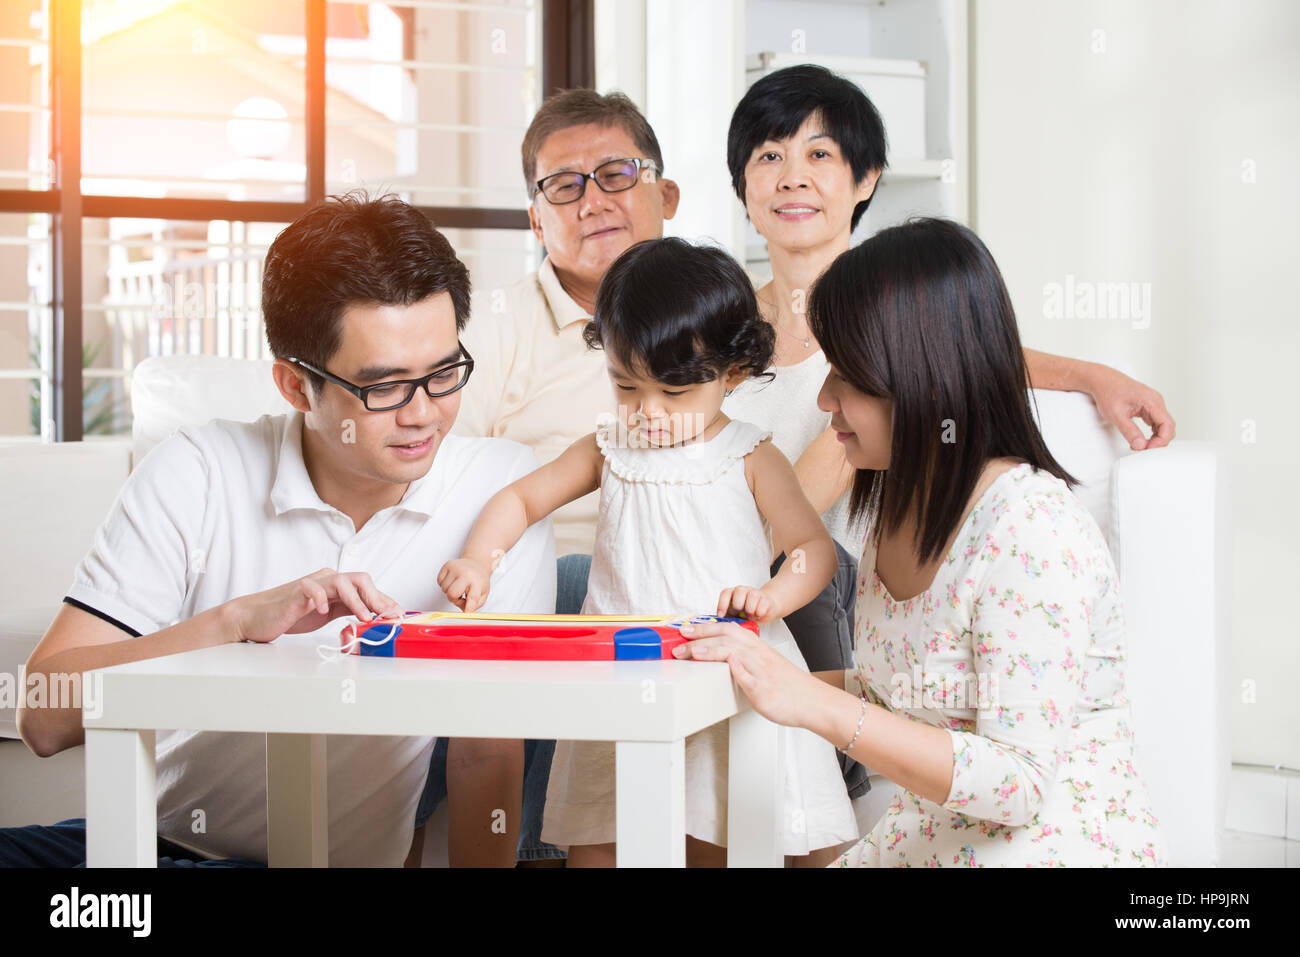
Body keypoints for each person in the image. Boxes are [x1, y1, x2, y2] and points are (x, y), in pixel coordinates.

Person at [1, 193, 555, 868]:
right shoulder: (197, 467)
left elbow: (483, 752)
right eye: (383, 387)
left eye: (443, 374)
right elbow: (42, 714)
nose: (424, 413)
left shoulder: (499, 494)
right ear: (295, 385)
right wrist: (230, 622)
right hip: (135, 849)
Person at [675, 218, 1168, 867]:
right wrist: (747, 673)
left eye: (846, 377)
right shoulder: (899, 511)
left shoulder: (1032, 529)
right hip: (939, 836)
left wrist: (808, 700)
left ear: (924, 381)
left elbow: (1018, 785)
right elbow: (899, 699)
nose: (824, 400)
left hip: (1049, 846)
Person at [439, 237, 859, 867]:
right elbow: (521, 501)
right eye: (627, 387)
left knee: (719, 829)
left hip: (726, 672)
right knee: (600, 839)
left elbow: (810, 549)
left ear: (734, 373)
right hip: (622, 673)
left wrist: (772, 598)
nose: (650, 414)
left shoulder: (749, 454)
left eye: (677, 392)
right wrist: (479, 559)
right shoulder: (608, 447)